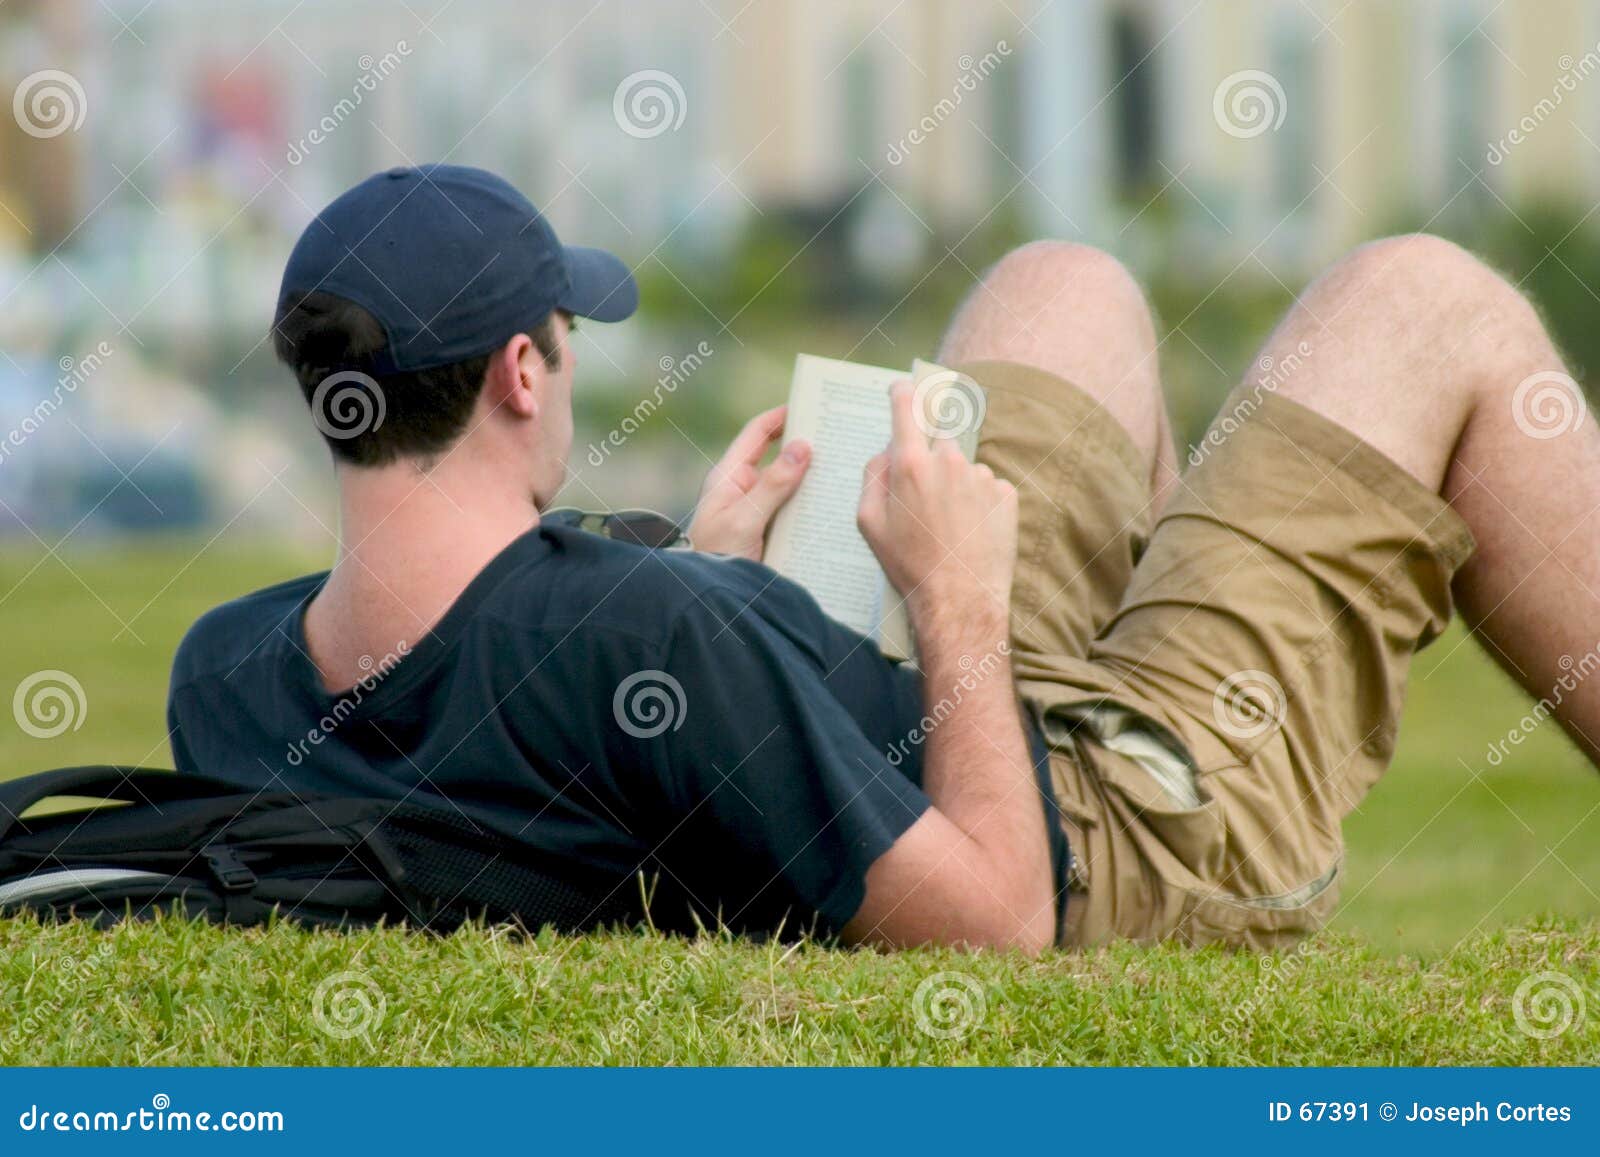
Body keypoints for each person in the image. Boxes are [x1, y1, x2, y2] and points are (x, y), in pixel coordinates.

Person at [168, 164, 1600, 954]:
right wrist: (953, 598)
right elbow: (999, 926)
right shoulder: (641, 635)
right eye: (567, 331)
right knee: (1430, 302)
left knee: (1065, 285)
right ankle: (1177, 715)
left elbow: (571, 732)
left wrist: (729, 583)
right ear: (521, 377)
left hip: (891, 748)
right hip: (1090, 839)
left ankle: (1158, 621)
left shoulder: (226, 672)